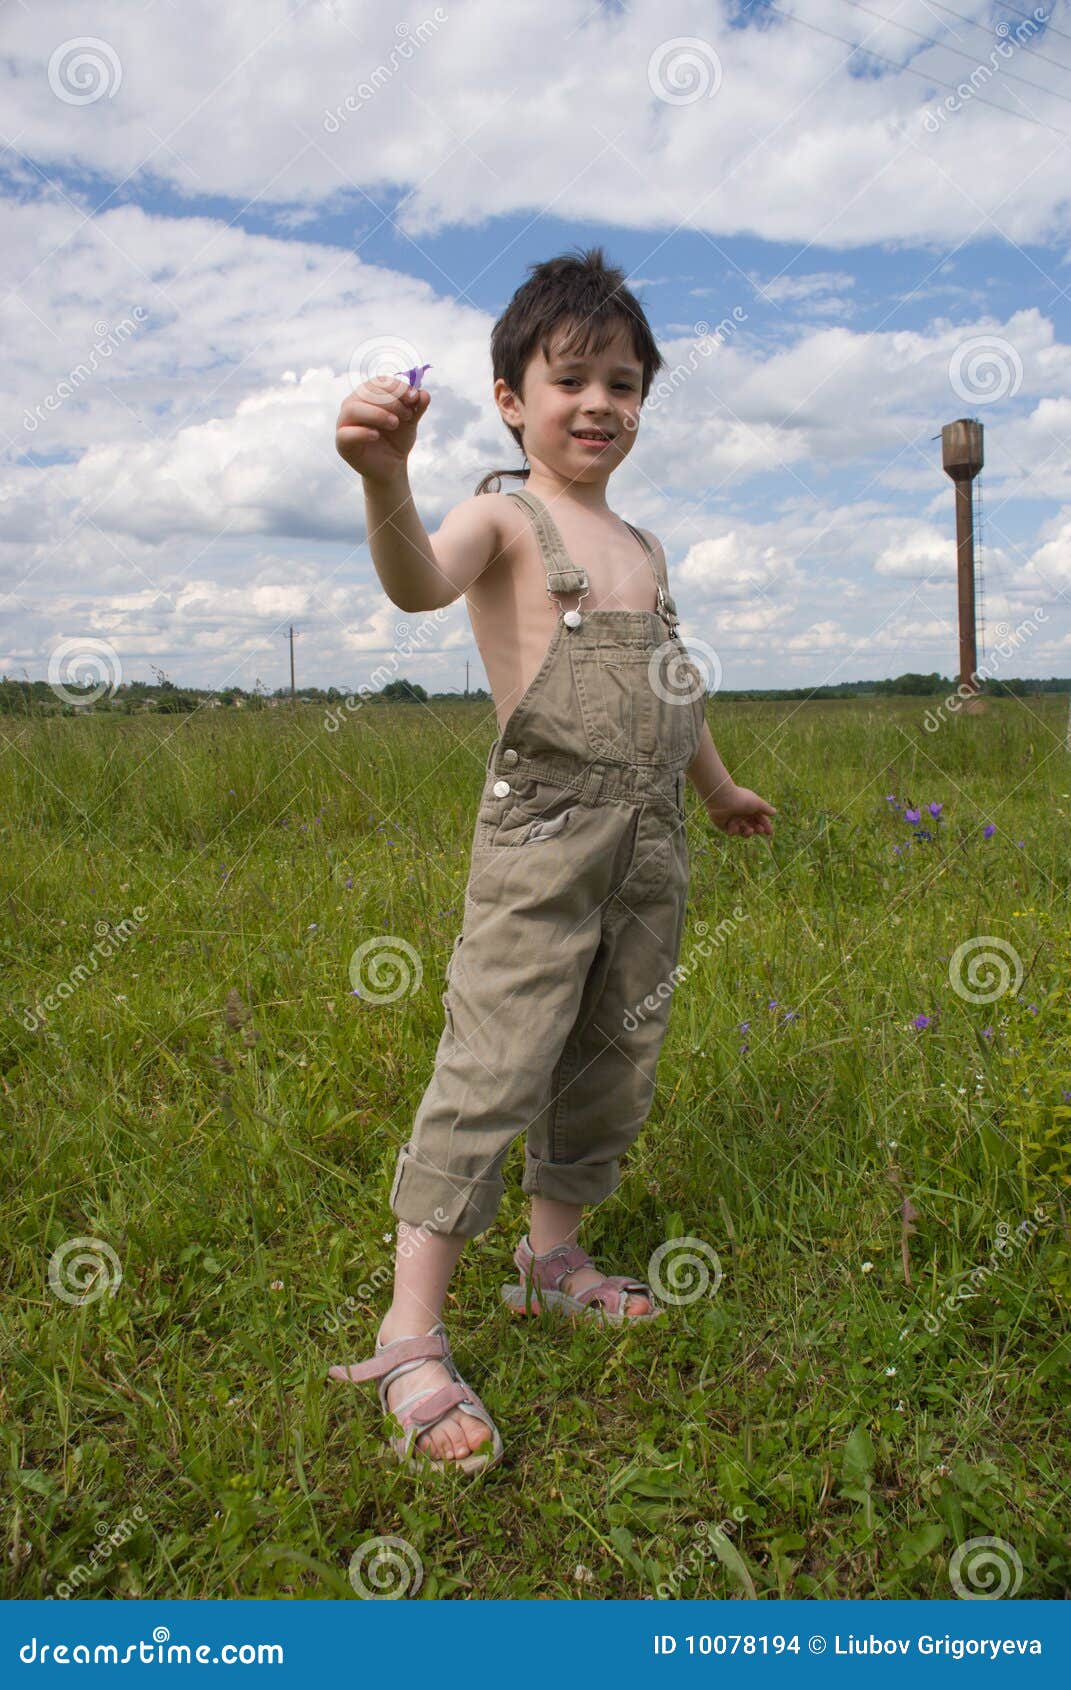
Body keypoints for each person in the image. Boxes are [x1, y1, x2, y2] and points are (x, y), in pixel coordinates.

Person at [329, 246, 776, 1475]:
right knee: (498, 1053)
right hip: (544, 835)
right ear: (513, 398)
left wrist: (720, 784)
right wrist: (385, 481)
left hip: (652, 840)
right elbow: (420, 585)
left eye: (625, 383)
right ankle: (410, 1330)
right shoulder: (500, 513)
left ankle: (550, 1255)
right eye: (571, 377)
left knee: (612, 1046)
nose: (600, 403)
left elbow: (672, 681)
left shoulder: (642, 541)